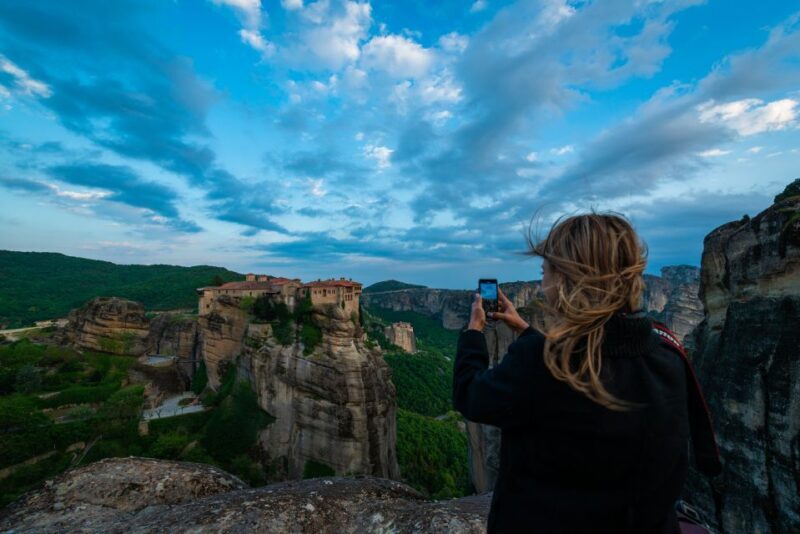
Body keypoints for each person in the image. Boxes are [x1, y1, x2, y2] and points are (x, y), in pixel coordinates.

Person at [453, 212, 706, 533]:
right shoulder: (667, 353)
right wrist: (526, 329)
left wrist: (474, 332)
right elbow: (589, 356)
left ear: (565, 280)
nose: (542, 285)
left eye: (545, 273)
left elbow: (470, 395)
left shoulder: (539, 362)